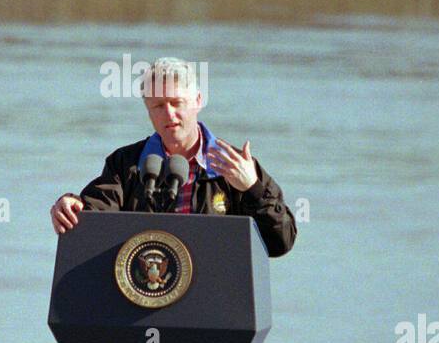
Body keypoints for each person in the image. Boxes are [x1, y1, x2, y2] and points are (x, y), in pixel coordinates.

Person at [49, 57, 297, 259]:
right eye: (158, 106)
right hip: (143, 302)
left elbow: (280, 243)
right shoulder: (126, 164)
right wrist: (71, 205)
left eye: (176, 102)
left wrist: (253, 189)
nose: (169, 114)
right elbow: (95, 219)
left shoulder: (234, 164)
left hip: (214, 306)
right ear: (147, 109)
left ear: (198, 101)